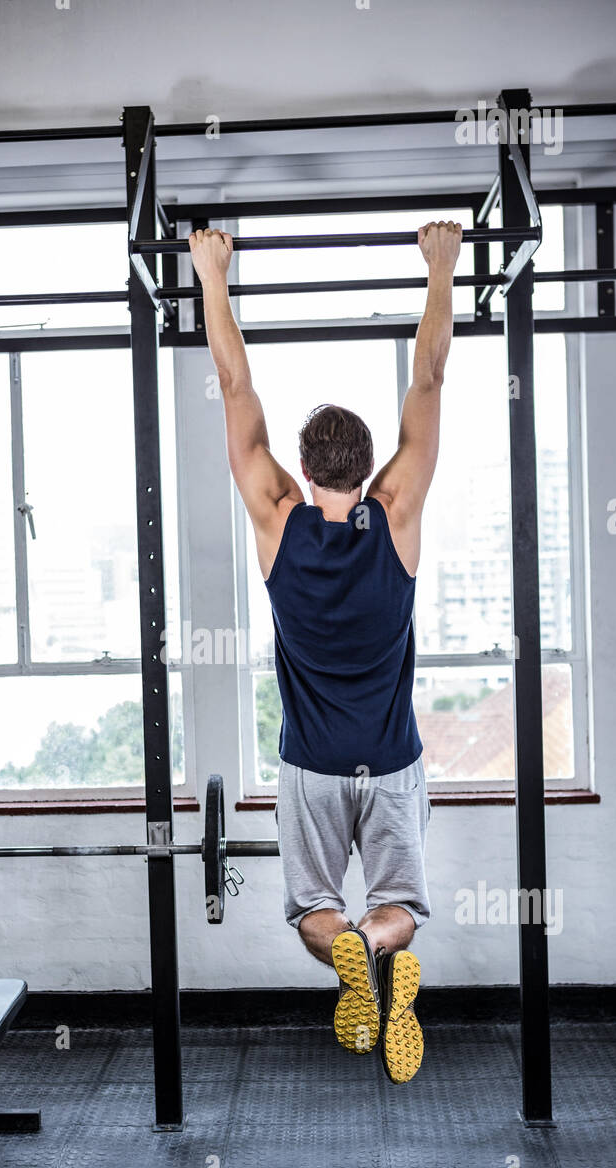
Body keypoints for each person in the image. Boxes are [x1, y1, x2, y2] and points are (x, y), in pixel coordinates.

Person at [189, 220, 463, 1084]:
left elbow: (234, 383)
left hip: (310, 766)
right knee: (402, 910)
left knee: (313, 908)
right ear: (374, 466)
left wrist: (213, 275)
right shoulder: (400, 515)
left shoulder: (277, 520)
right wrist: (440, 267)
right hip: (391, 763)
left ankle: (347, 946)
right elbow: (429, 374)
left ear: (304, 469)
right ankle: (384, 948)